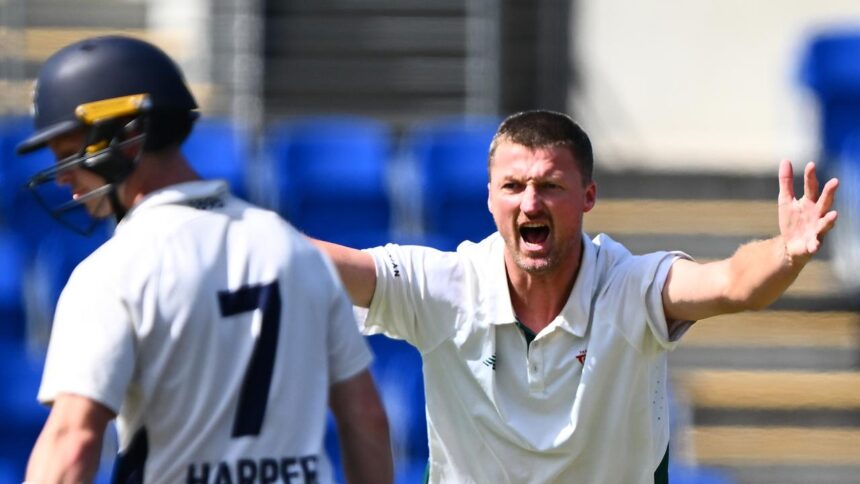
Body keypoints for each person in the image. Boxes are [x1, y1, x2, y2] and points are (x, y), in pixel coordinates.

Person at [313, 110, 839, 483]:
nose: (530, 202)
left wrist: (786, 254)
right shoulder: (446, 285)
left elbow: (732, 284)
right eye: (513, 186)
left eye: (551, 186)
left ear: (588, 197)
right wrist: (241, 234)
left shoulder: (631, 286)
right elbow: (330, 266)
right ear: (490, 196)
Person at [17, 35, 393, 483]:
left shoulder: (113, 270)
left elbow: (72, 441)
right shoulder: (292, 248)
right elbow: (367, 417)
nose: (62, 178)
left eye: (69, 155)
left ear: (129, 136)